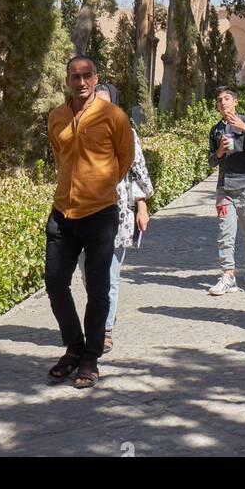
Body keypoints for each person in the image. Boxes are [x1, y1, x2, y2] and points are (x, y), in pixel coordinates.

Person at [45, 55, 134, 388]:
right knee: (55, 281)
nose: (80, 82)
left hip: (100, 214)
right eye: (74, 76)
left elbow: (123, 159)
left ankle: (89, 358)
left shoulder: (114, 116)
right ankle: (74, 346)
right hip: (63, 213)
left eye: (86, 76)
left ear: (96, 78)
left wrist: (100, 185)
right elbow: (60, 154)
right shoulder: (56, 117)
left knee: (97, 290)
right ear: (67, 79)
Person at [76, 83, 154, 353]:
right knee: (86, 271)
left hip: (116, 211)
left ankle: (104, 329)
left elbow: (139, 173)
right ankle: (103, 314)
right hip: (82, 212)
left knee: (108, 274)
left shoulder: (126, 134)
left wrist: (142, 208)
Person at [206, 84, 245, 295]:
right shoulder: (216, 130)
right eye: (220, 100)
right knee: (225, 233)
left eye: (227, 99)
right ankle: (228, 275)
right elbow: (211, 161)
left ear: (235, 102)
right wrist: (219, 150)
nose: (223, 103)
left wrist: (243, 127)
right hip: (224, 189)